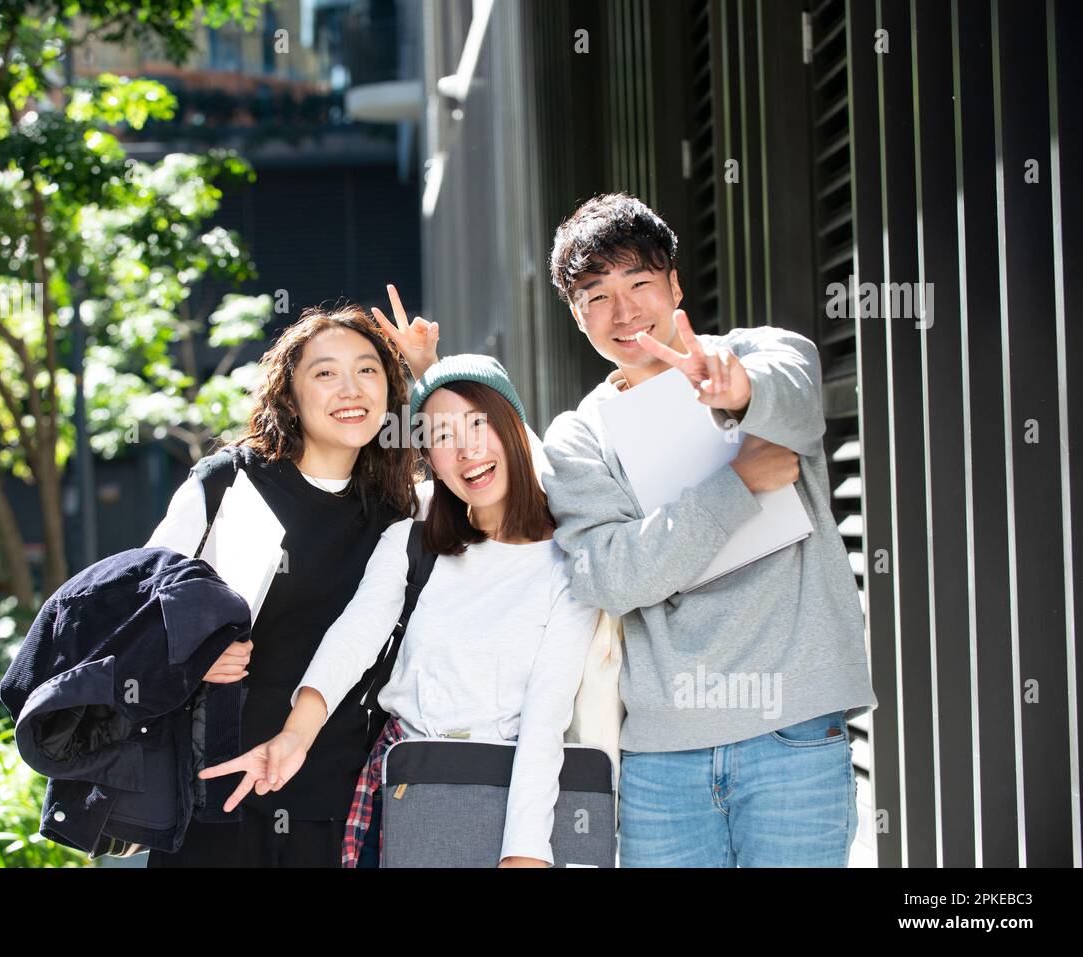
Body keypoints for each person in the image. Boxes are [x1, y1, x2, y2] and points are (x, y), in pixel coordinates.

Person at [539, 192, 878, 867]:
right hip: (662, 758)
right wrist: (739, 483)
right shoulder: (579, 436)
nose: (624, 310)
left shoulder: (764, 355)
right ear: (577, 316)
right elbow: (611, 574)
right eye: (596, 295)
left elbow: (800, 401)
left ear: (675, 285)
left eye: (639, 283)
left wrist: (738, 391)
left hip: (796, 731)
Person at [200, 355, 601, 867]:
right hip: (409, 790)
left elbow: (547, 718)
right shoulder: (413, 543)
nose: (466, 449)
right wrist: (293, 737)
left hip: (515, 795)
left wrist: (524, 855)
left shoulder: (569, 560)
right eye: (442, 436)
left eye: (478, 423)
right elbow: (353, 639)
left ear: (513, 426)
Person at [145, 303, 431, 867]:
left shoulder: (397, 511)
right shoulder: (231, 482)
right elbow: (139, 602)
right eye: (325, 373)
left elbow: (502, 468)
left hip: (328, 791)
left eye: (368, 370)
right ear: (289, 395)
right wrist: (190, 653)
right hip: (213, 783)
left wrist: (429, 371)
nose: (350, 389)